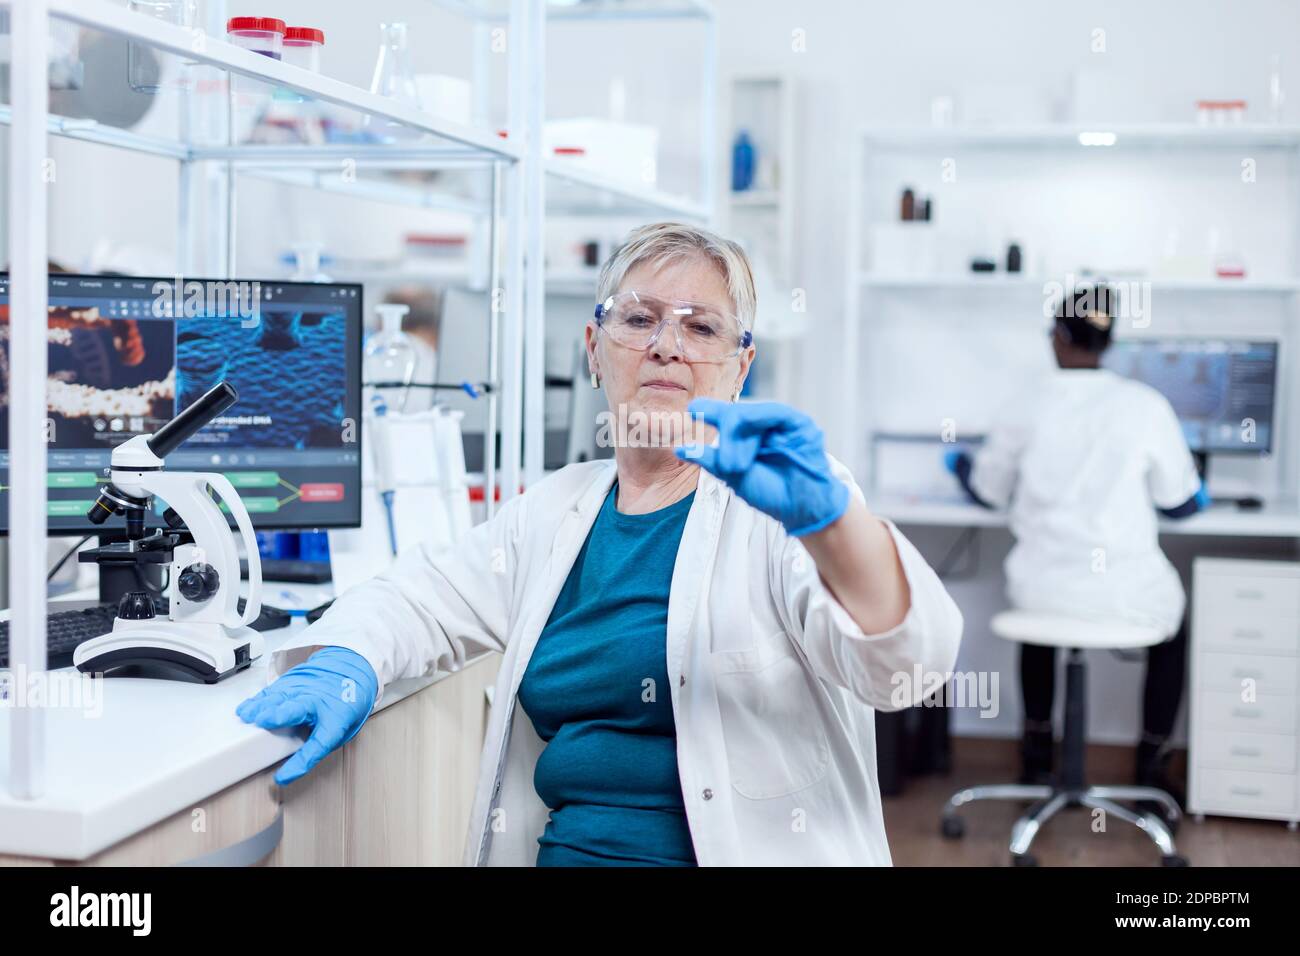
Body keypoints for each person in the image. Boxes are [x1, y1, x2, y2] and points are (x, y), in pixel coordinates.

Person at [237, 221, 963, 866]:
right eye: (639, 319)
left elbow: (904, 670)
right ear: (595, 349)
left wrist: (831, 524)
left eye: (701, 328)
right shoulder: (552, 512)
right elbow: (419, 598)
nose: (665, 347)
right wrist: (347, 658)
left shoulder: (784, 504)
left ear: (740, 368)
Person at [946, 284, 1208, 804]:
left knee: (1040, 622)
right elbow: (1180, 502)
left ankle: (1036, 755)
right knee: (1174, 625)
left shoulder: (1025, 403)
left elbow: (989, 493)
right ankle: (1152, 763)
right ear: (1107, 342)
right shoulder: (1145, 405)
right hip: (1125, 594)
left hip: (1041, 593)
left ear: (1060, 337)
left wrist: (960, 468)